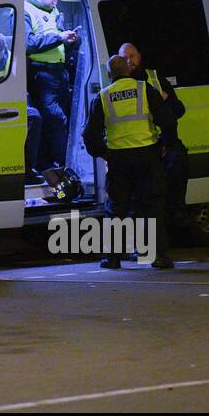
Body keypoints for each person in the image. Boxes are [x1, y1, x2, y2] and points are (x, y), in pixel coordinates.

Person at [82, 55, 178, 269]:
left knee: (116, 208)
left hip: (119, 159)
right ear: (129, 70)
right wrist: (166, 143)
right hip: (148, 155)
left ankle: (112, 258)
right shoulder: (145, 90)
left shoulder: (103, 97)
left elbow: (90, 135)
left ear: (109, 75)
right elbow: (168, 120)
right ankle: (159, 256)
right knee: (153, 205)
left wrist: (103, 152)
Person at [119, 42, 190, 213]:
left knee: (177, 160)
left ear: (139, 56)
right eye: (124, 58)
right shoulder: (116, 85)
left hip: (160, 142)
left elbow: (178, 110)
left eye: (132, 56)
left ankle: (176, 214)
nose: (129, 61)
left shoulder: (155, 79)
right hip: (135, 145)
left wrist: (164, 98)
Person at [25, 0, 79, 170]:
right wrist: (59, 37)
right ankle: (65, 165)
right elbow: (28, 44)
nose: (57, 1)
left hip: (60, 73)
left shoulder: (54, 10)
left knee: (62, 120)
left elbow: (59, 36)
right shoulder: (26, 9)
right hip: (42, 75)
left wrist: (70, 39)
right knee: (56, 119)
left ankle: (56, 164)